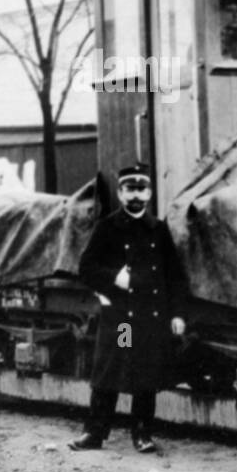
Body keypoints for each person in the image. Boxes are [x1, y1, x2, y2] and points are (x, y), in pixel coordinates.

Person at [69, 164, 187, 454]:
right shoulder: (108, 227)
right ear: (121, 193)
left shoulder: (158, 230)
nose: (136, 195)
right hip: (123, 319)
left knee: (146, 376)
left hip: (150, 316)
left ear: (149, 193)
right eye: (130, 189)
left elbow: (174, 276)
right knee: (111, 370)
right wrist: (114, 280)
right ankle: (94, 434)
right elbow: (86, 268)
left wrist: (178, 314)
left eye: (142, 189)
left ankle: (143, 434)